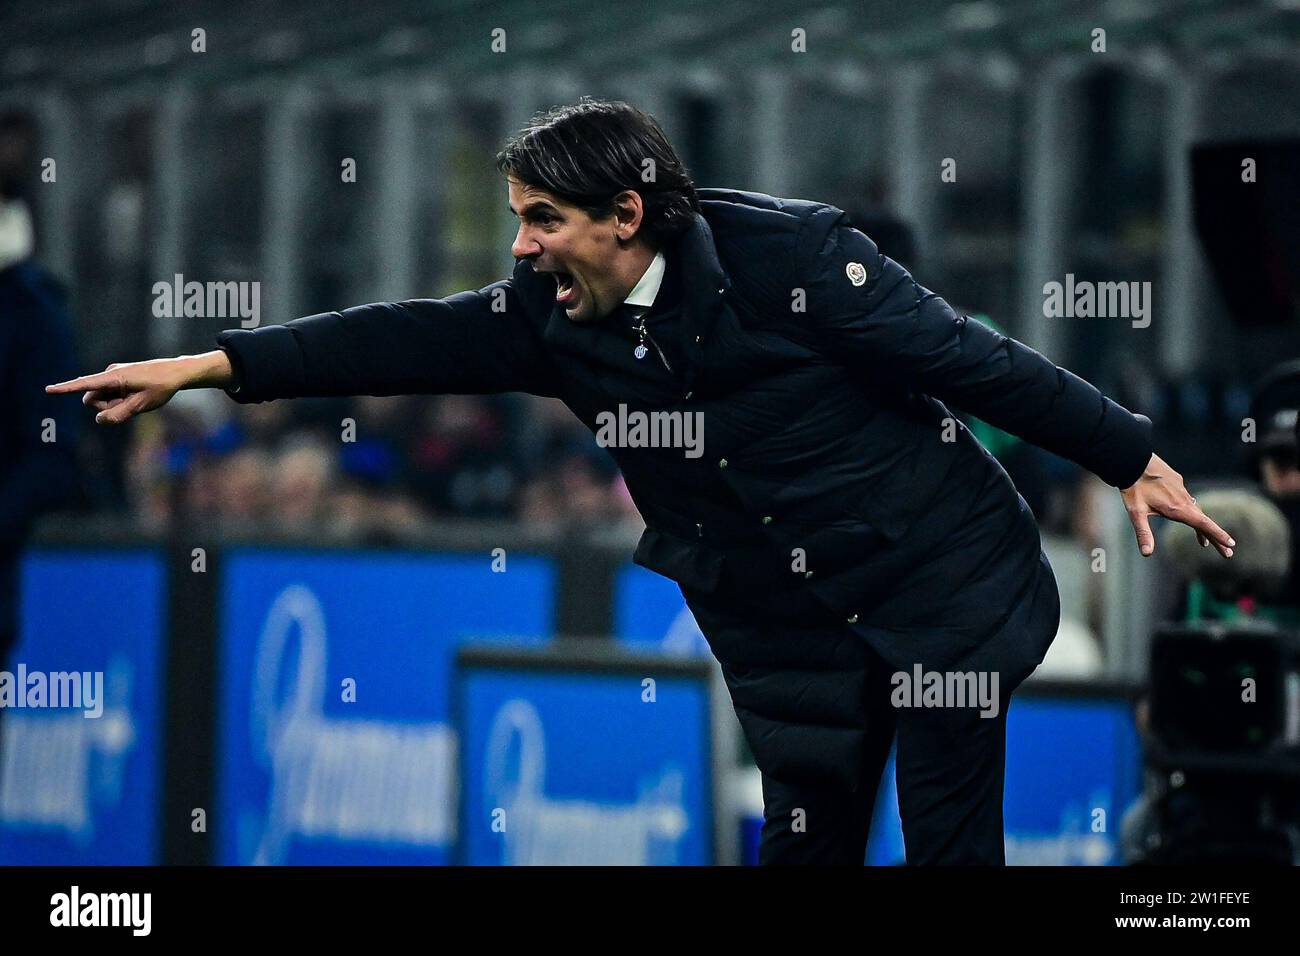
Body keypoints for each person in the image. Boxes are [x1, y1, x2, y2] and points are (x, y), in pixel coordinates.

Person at [47, 97, 1234, 865]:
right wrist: (216, 361)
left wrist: (1129, 453)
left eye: (542, 219)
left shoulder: (800, 259)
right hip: (791, 631)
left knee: (946, 844)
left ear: (627, 214)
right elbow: (397, 336)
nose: (520, 247)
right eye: (516, 220)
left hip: (942, 591)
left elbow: (978, 363)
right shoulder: (550, 316)